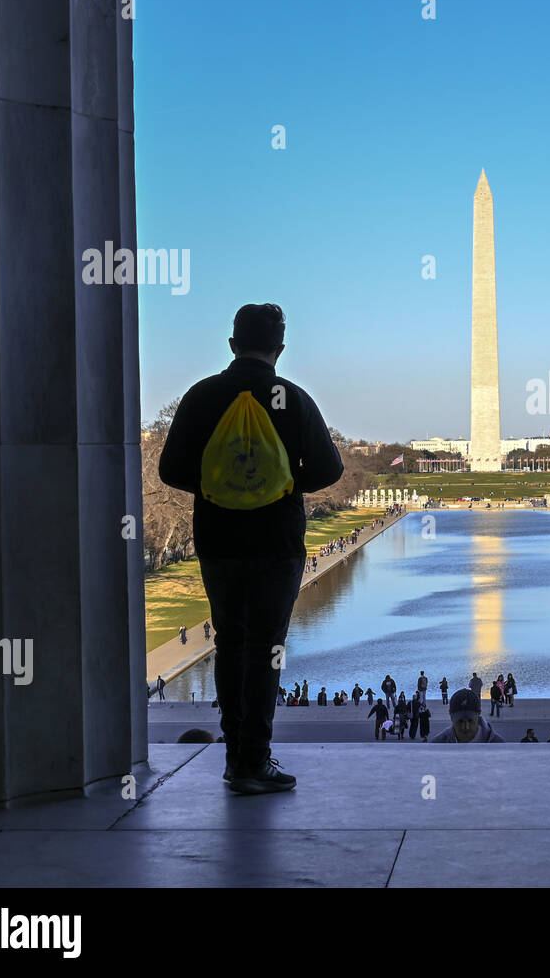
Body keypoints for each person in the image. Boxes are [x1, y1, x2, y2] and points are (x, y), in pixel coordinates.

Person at [159, 303, 344, 794]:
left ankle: (234, 754)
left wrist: (220, 487)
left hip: (218, 538)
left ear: (232, 344)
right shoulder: (291, 397)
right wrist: (282, 485)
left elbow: (170, 470)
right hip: (276, 540)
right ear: (279, 349)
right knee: (267, 648)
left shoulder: (203, 395)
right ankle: (254, 760)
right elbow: (329, 469)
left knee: (230, 642)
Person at [429, 689, 504, 743]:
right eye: (460, 721)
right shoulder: (437, 744)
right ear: (451, 717)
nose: (465, 727)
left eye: (470, 720)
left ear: (478, 715)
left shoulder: (499, 744)